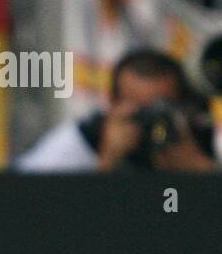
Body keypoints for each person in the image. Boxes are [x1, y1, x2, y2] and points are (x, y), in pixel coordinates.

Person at [13, 47, 218, 173]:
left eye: (161, 111)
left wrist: (200, 173)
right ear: (112, 104)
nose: (150, 124)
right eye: (140, 112)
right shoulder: (84, 140)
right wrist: (109, 161)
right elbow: (23, 200)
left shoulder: (201, 134)